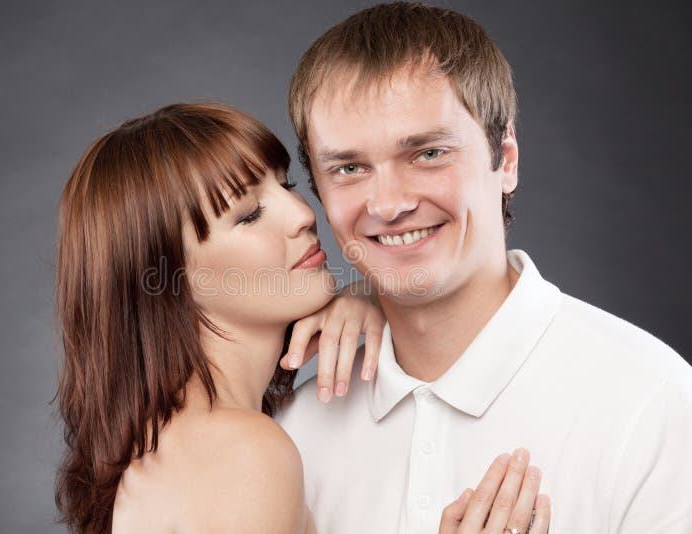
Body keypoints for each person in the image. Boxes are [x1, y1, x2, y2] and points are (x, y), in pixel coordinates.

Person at [275, 3, 692, 534]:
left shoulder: (654, 407)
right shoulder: (293, 436)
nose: (387, 204)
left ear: (507, 158)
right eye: (350, 168)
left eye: (427, 153)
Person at [53, 102, 550, 533]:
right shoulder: (243, 452)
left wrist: (374, 296)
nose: (301, 213)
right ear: (168, 278)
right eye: (248, 215)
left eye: (286, 184)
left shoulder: (173, 438)